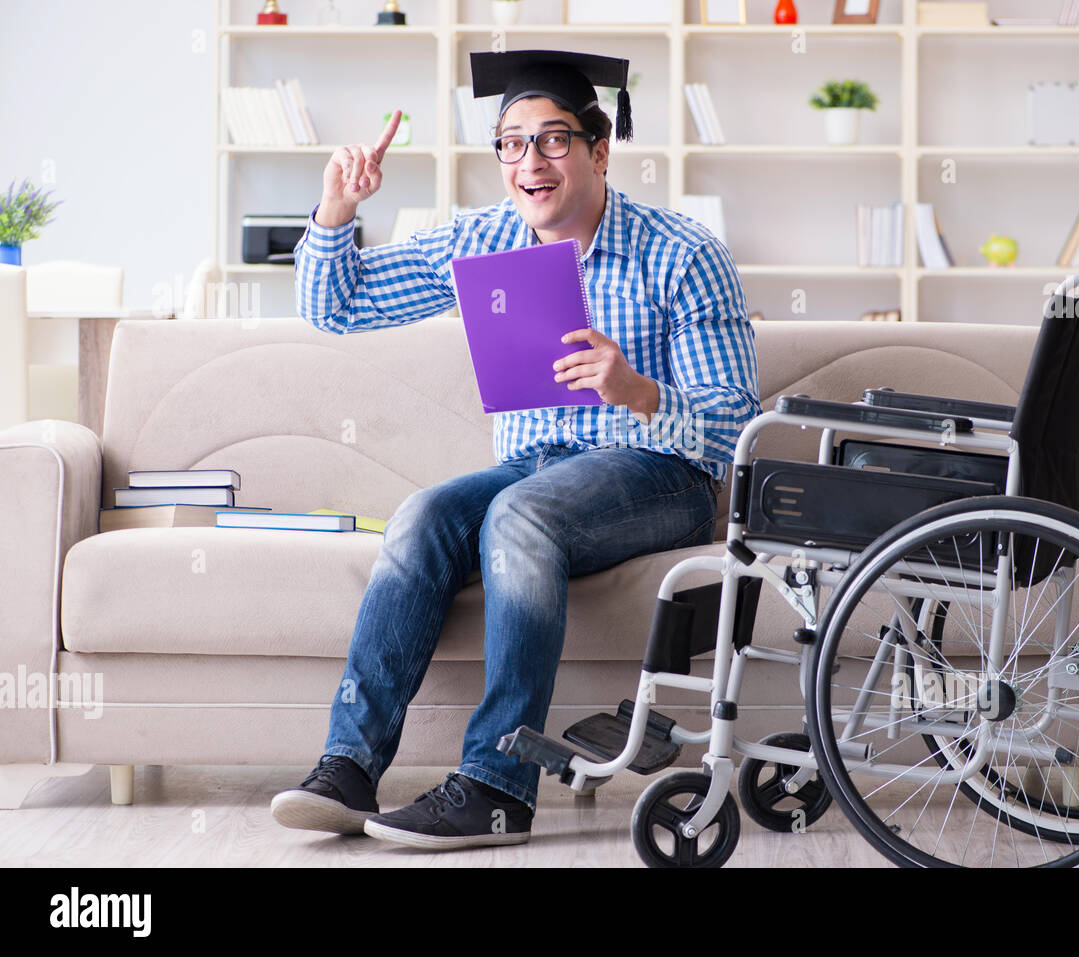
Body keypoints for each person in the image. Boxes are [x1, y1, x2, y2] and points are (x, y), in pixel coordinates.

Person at [270, 50, 759, 851]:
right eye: (512, 143)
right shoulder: (484, 241)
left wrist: (638, 391)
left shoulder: (683, 253)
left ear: (600, 152)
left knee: (519, 517)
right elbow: (340, 305)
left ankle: (498, 787)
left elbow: (736, 427)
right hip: (530, 470)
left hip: (661, 473)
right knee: (425, 514)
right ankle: (348, 766)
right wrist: (334, 213)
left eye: (554, 140)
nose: (531, 161)